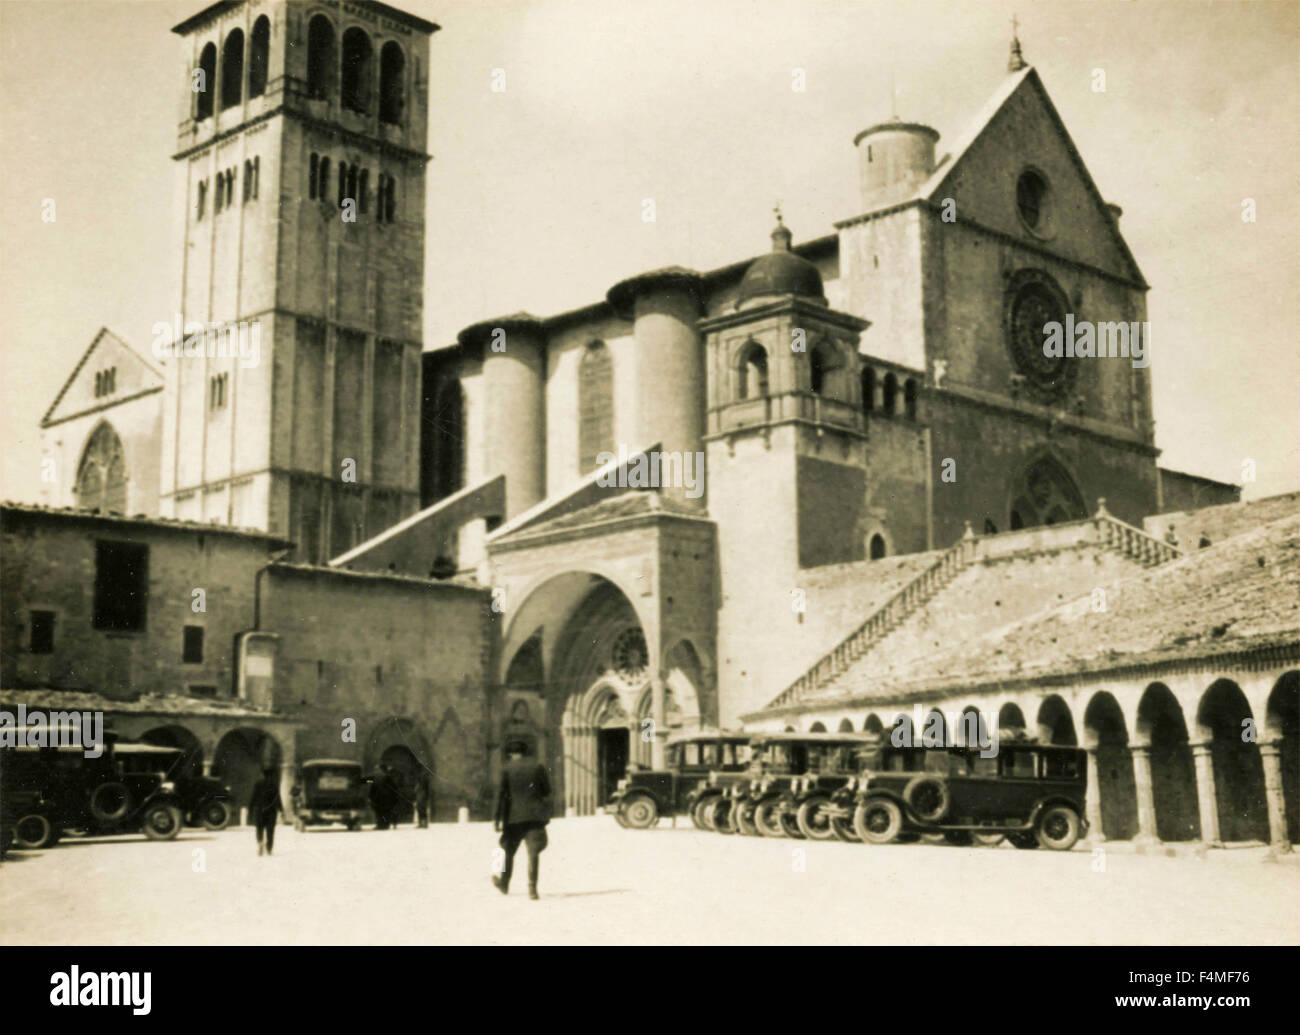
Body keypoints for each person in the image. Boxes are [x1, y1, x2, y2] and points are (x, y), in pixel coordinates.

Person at [493, 742, 552, 900]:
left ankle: (503, 883)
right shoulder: (538, 767)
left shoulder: (506, 768)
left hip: (514, 818)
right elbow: (547, 791)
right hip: (534, 816)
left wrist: (497, 818)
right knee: (533, 853)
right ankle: (532, 889)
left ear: (512, 754)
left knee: (506, 850)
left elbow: (500, 795)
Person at [249, 767, 284, 857]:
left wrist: (250, 809)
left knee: (259, 829)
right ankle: (269, 848)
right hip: (271, 812)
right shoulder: (274, 785)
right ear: (271, 775)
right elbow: (278, 798)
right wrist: (281, 810)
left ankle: (260, 842)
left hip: (260, 810)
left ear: (263, 774)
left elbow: (253, 797)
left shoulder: (258, 784)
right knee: (270, 831)